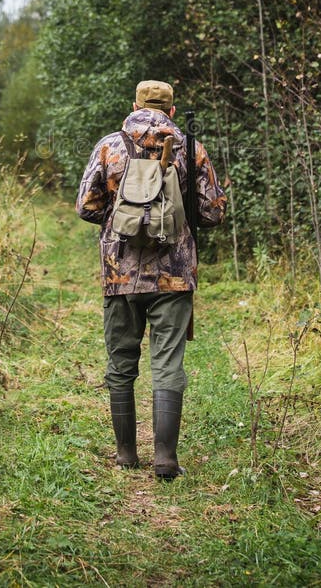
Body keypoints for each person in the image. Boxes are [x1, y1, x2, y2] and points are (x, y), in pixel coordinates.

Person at [76, 79, 227, 479]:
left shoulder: (110, 146)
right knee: (168, 364)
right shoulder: (190, 148)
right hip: (174, 276)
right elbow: (214, 213)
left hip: (119, 272)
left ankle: (126, 453)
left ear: (134, 105)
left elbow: (86, 207)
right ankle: (165, 458)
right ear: (172, 112)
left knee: (121, 362)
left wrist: (122, 216)